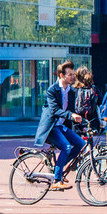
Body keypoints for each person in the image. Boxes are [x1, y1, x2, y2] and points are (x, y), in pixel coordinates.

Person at [35, 61, 83, 191]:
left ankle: (60, 169)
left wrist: (82, 124)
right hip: (51, 127)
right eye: (70, 75)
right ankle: (57, 180)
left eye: (73, 74)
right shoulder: (52, 90)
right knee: (66, 147)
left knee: (80, 144)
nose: (73, 77)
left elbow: (72, 110)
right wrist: (71, 115)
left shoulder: (71, 91)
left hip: (62, 126)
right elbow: (54, 110)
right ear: (61, 75)